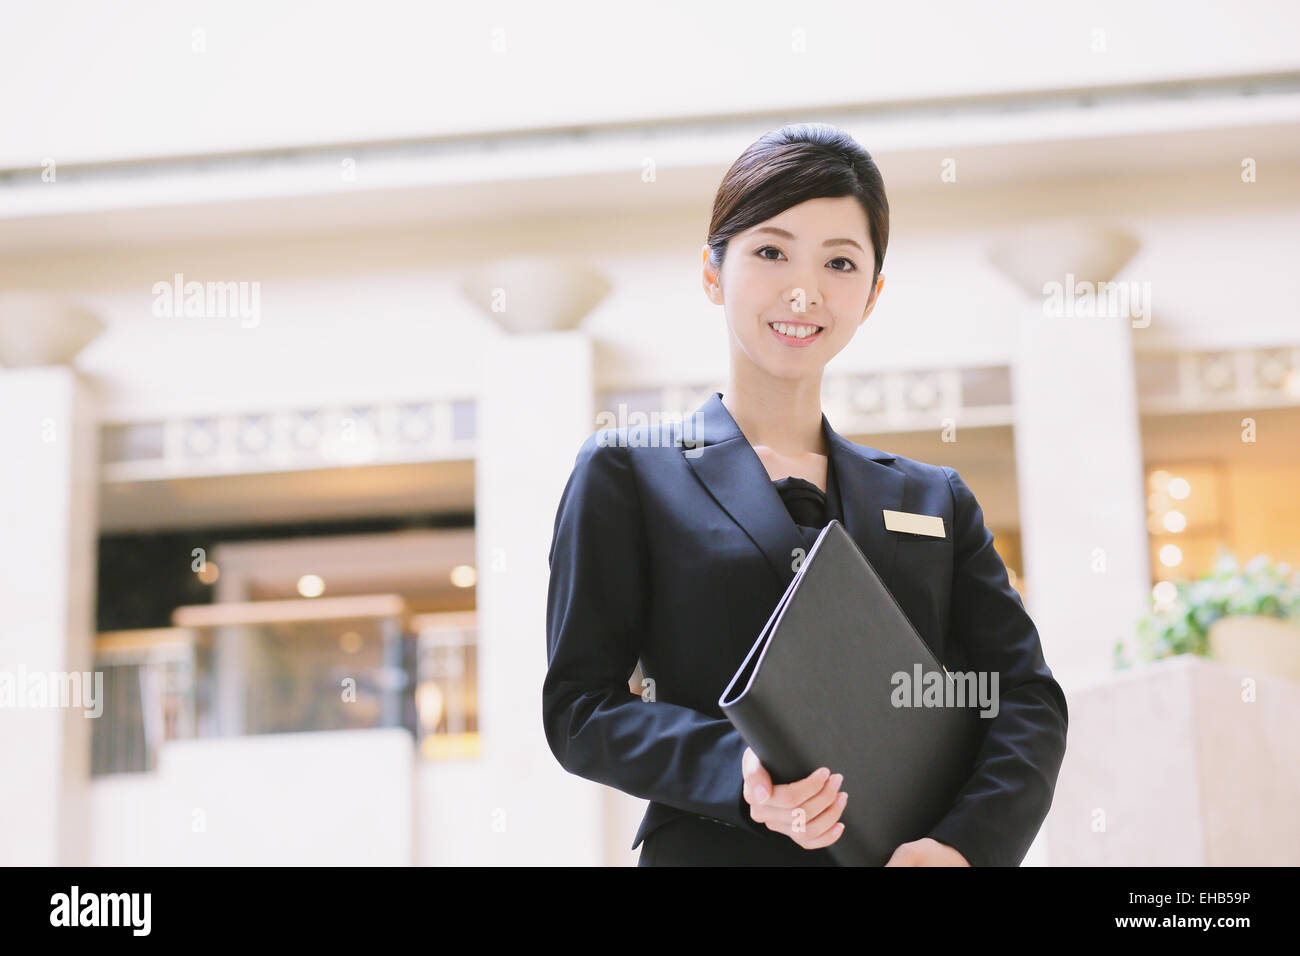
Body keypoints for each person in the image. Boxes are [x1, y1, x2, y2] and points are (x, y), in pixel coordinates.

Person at [542, 122, 1068, 866]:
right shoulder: (629, 471)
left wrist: (962, 848)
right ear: (711, 271)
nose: (805, 290)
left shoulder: (935, 500)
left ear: (873, 293)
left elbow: (1025, 698)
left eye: (841, 263)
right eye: (770, 251)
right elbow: (578, 710)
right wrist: (741, 771)